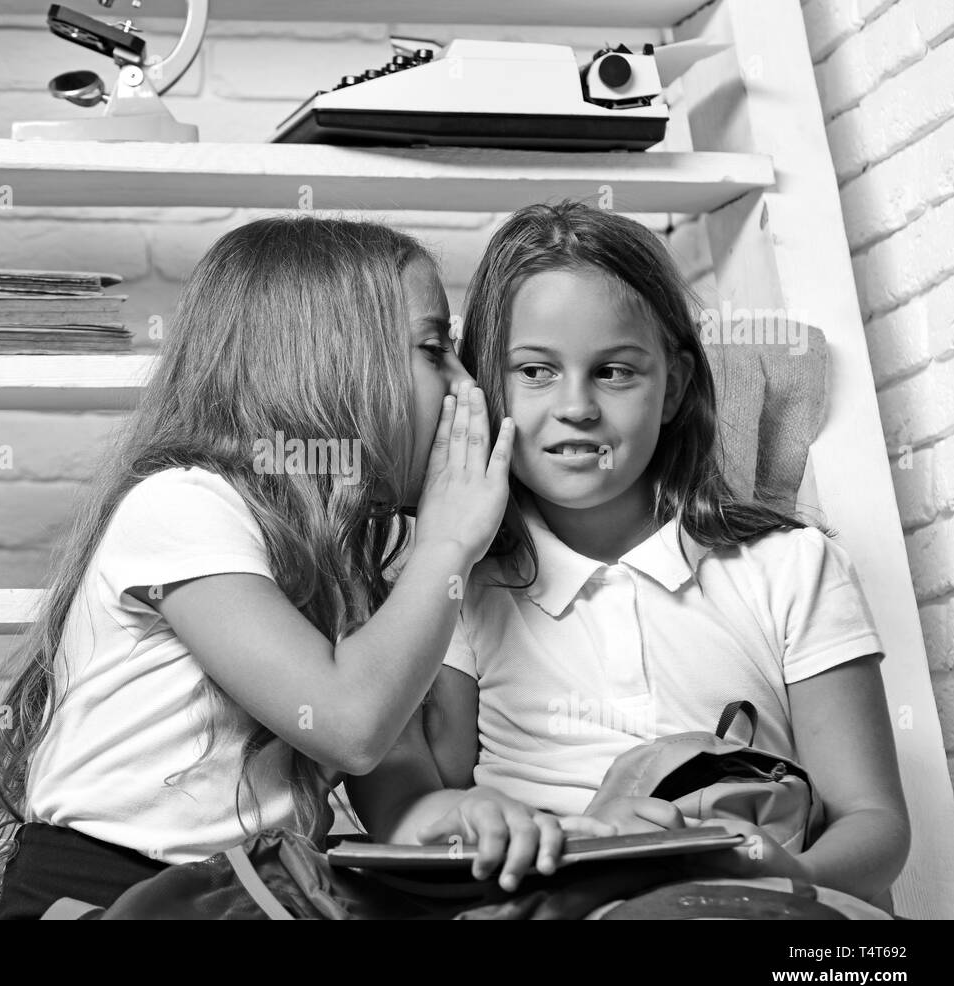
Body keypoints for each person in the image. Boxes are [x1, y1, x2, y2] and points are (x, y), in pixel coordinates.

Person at [0, 215, 523, 918]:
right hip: (105, 895)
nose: (465, 384)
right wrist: (448, 544)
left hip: (249, 893)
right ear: (330, 364)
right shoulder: (183, 504)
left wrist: (472, 817)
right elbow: (350, 723)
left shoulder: (349, 560)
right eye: (435, 348)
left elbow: (398, 802)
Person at [349, 201, 910, 904]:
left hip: (755, 900)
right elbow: (423, 804)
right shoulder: (460, 587)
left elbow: (875, 822)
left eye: (614, 372)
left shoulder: (792, 566)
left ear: (673, 386)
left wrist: (795, 873)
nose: (577, 405)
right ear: (486, 386)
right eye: (534, 371)